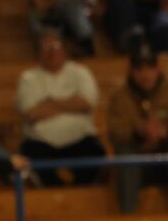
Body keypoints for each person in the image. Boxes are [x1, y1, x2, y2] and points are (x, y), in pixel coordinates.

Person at [107, 48, 168, 213]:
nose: (145, 74)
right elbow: (115, 131)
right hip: (137, 163)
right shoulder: (119, 98)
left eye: (150, 68)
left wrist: (166, 133)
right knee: (126, 156)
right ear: (131, 71)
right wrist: (138, 131)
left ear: (158, 68)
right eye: (139, 69)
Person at [18, 27, 106, 185]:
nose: (52, 52)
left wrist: (50, 103)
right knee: (29, 153)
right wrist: (71, 103)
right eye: (46, 48)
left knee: (95, 152)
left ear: (64, 49)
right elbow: (31, 113)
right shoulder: (28, 78)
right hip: (41, 142)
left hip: (79, 138)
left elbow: (86, 103)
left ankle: (82, 193)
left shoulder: (80, 72)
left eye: (56, 46)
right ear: (39, 53)